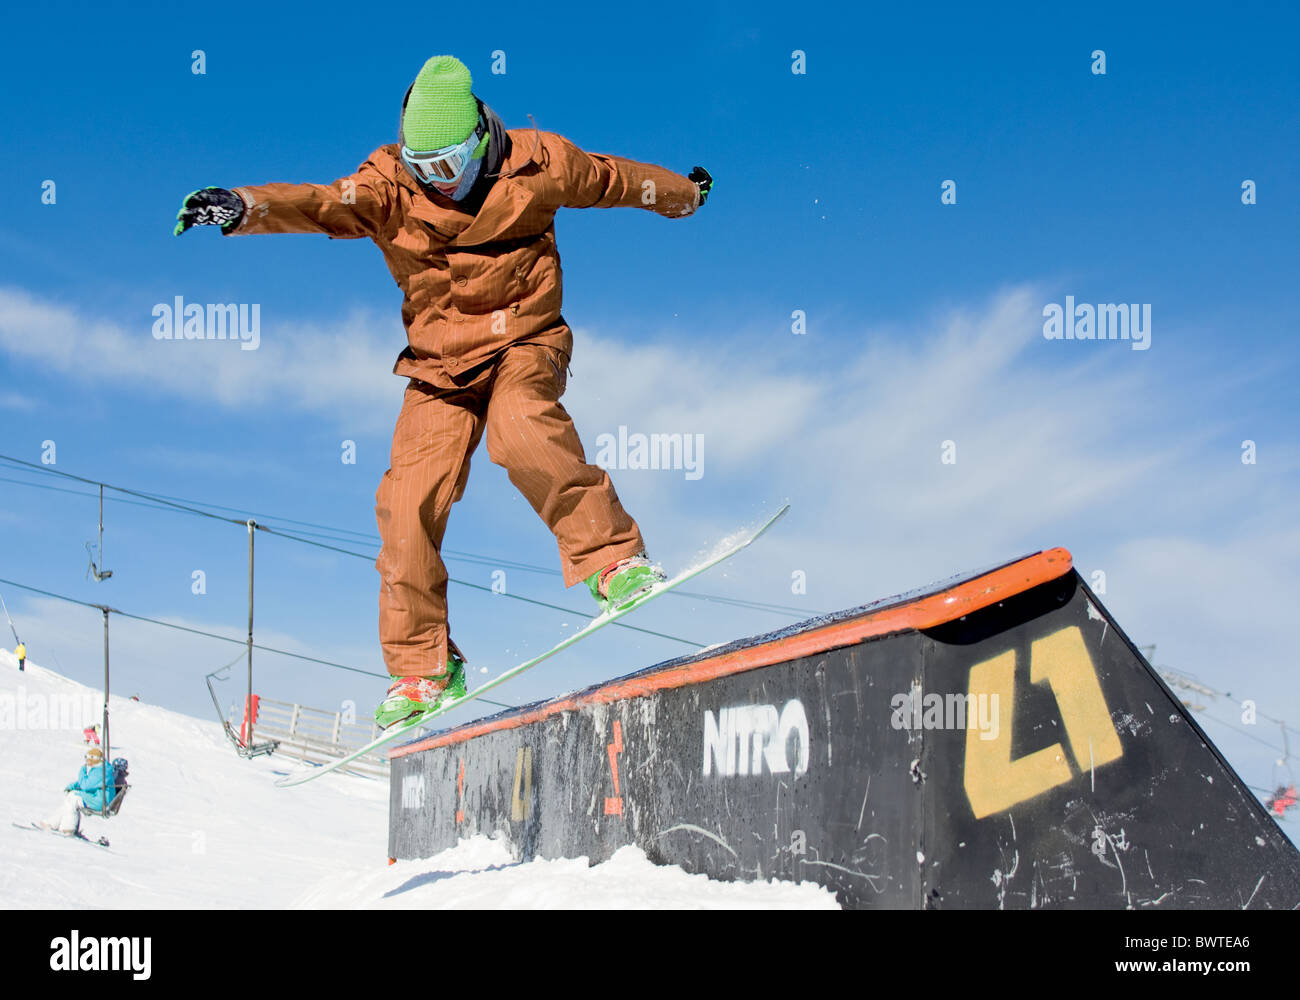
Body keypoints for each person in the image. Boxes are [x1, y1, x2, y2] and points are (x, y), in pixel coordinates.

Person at [175, 55, 712, 729]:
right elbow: (321, 204)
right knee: (405, 503)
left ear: (481, 141)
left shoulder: (540, 162)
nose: (438, 182)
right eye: (423, 166)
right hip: (438, 367)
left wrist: (684, 196)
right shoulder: (390, 187)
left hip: (524, 339)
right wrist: (246, 207)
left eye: (449, 165)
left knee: (522, 433)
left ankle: (613, 559)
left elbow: (618, 179)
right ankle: (423, 668)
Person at [41, 747, 117, 837]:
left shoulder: (101, 772)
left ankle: (68, 828)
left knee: (73, 797)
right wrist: (72, 786)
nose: (87, 762)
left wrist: (83, 770)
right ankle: (52, 823)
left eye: (89, 759)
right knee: (71, 797)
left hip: (100, 801)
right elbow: (88, 783)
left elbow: (86, 785)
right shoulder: (101, 769)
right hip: (99, 798)